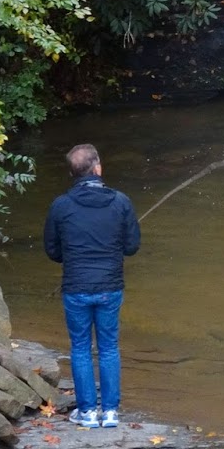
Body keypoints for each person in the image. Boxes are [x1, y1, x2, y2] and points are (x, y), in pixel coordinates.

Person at [43, 144, 140, 429]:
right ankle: (110, 412)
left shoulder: (61, 205)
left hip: (76, 287)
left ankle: (87, 412)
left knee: (81, 347)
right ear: (97, 167)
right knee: (108, 347)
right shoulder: (121, 201)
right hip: (110, 286)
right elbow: (132, 246)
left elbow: (52, 250)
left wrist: (73, 255)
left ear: (73, 173)